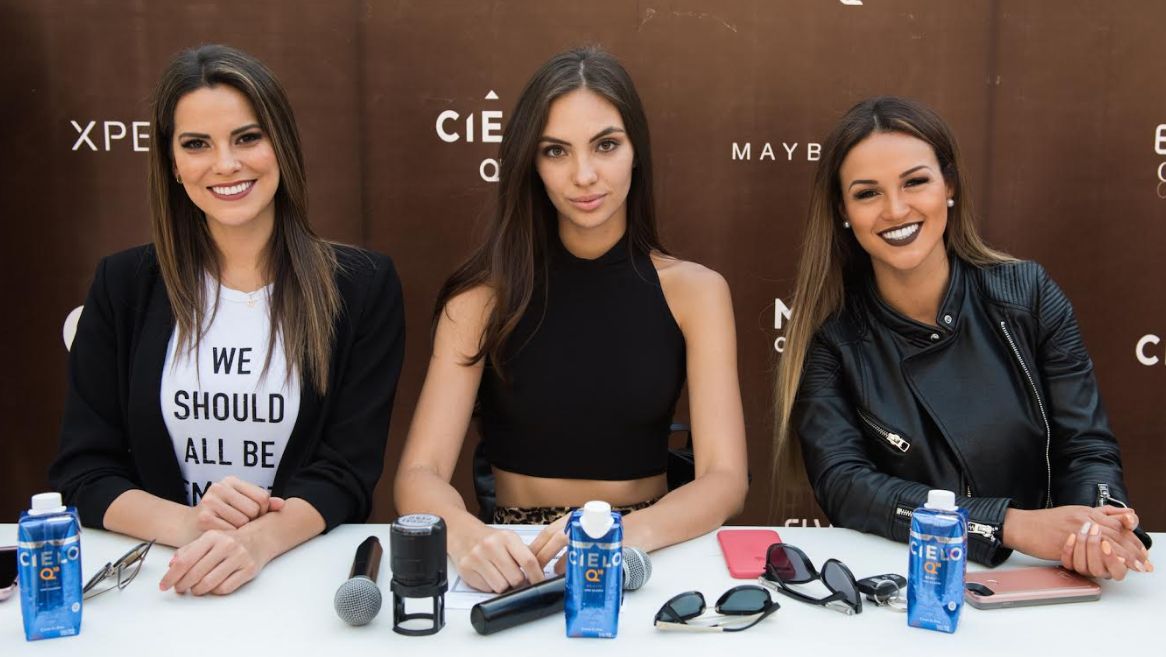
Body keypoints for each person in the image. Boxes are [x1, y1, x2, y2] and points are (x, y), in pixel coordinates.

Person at [49, 44, 405, 596]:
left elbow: (347, 473)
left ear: (281, 144)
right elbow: (83, 473)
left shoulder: (361, 286)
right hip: (163, 580)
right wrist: (191, 525)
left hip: (299, 578)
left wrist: (256, 543)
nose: (226, 164)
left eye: (247, 138)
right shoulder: (123, 284)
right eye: (197, 144)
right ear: (172, 163)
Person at [394, 47, 748, 593]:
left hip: (644, 549)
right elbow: (419, 474)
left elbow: (725, 480)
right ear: (531, 164)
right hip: (516, 556)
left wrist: (620, 535)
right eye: (556, 151)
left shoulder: (696, 292)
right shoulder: (479, 300)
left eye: (606, 145)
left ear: (636, 151)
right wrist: (463, 535)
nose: (584, 175)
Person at [773, 96, 1151, 579]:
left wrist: (1096, 529)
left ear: (948, 185)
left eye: (915, 182)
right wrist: (1007, 525)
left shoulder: (1028, 294)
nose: (896, 209)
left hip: (1043, 574)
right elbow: (847, 488)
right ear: (843, 210)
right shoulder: (833, 343)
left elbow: (1087, 447)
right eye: (868, 193)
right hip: (909, 581)